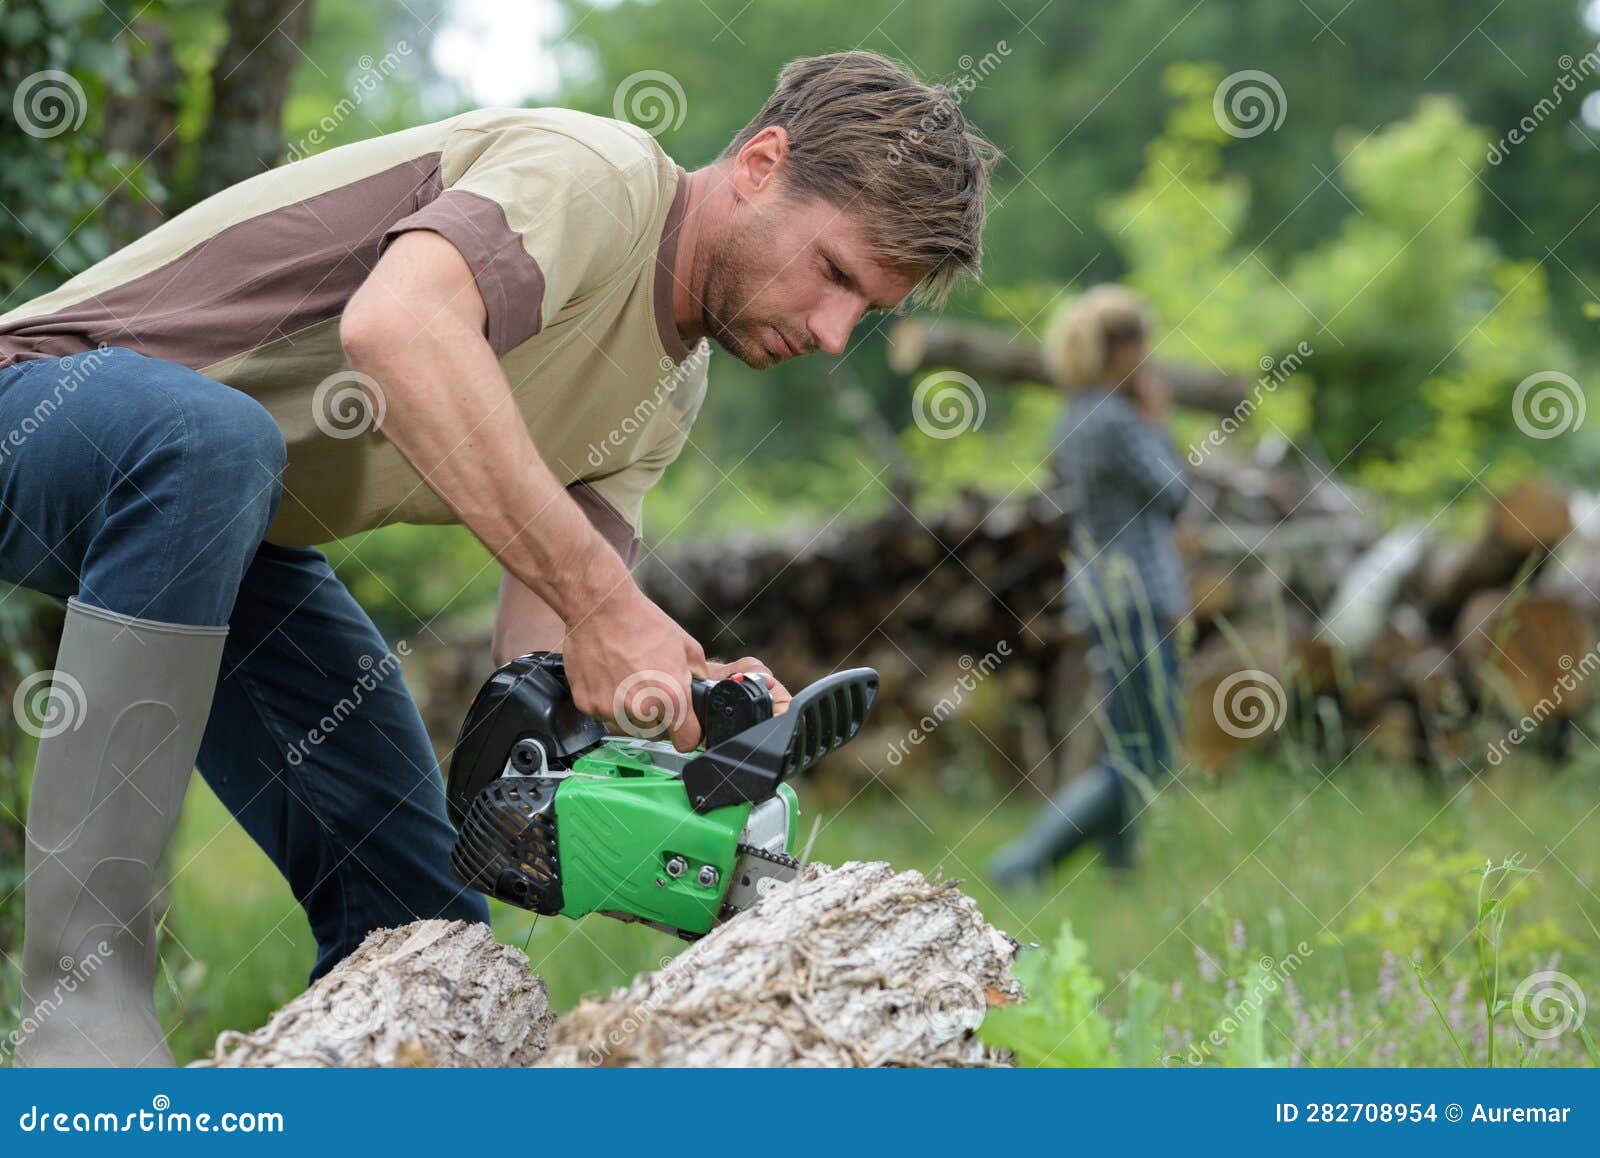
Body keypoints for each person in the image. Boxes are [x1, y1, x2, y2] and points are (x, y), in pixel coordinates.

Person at [0, 50, 998, 1066]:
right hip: (39, 405)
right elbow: (399, 328)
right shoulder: (595, 175)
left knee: (421, 922)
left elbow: (542, 664)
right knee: (213, 445)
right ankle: (80, 1019)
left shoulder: (669, 391)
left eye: (864, 311)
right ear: (760, 163)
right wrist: (607, 606)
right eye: (833, 273)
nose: (834, 334)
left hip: (227, 541)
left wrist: (667, 723)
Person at [989, 285, 1187, 885]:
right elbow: (1174, 493)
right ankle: (1025, 861)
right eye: (1142, 344)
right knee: (1146, 754)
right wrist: (1158, 423)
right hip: (1138, 593)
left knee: (1123, 746)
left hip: (1102, 592)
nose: (1150, 357)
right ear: (1120, 348)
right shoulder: (1121, 421)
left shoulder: (1074, 416)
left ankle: (1120, 872)